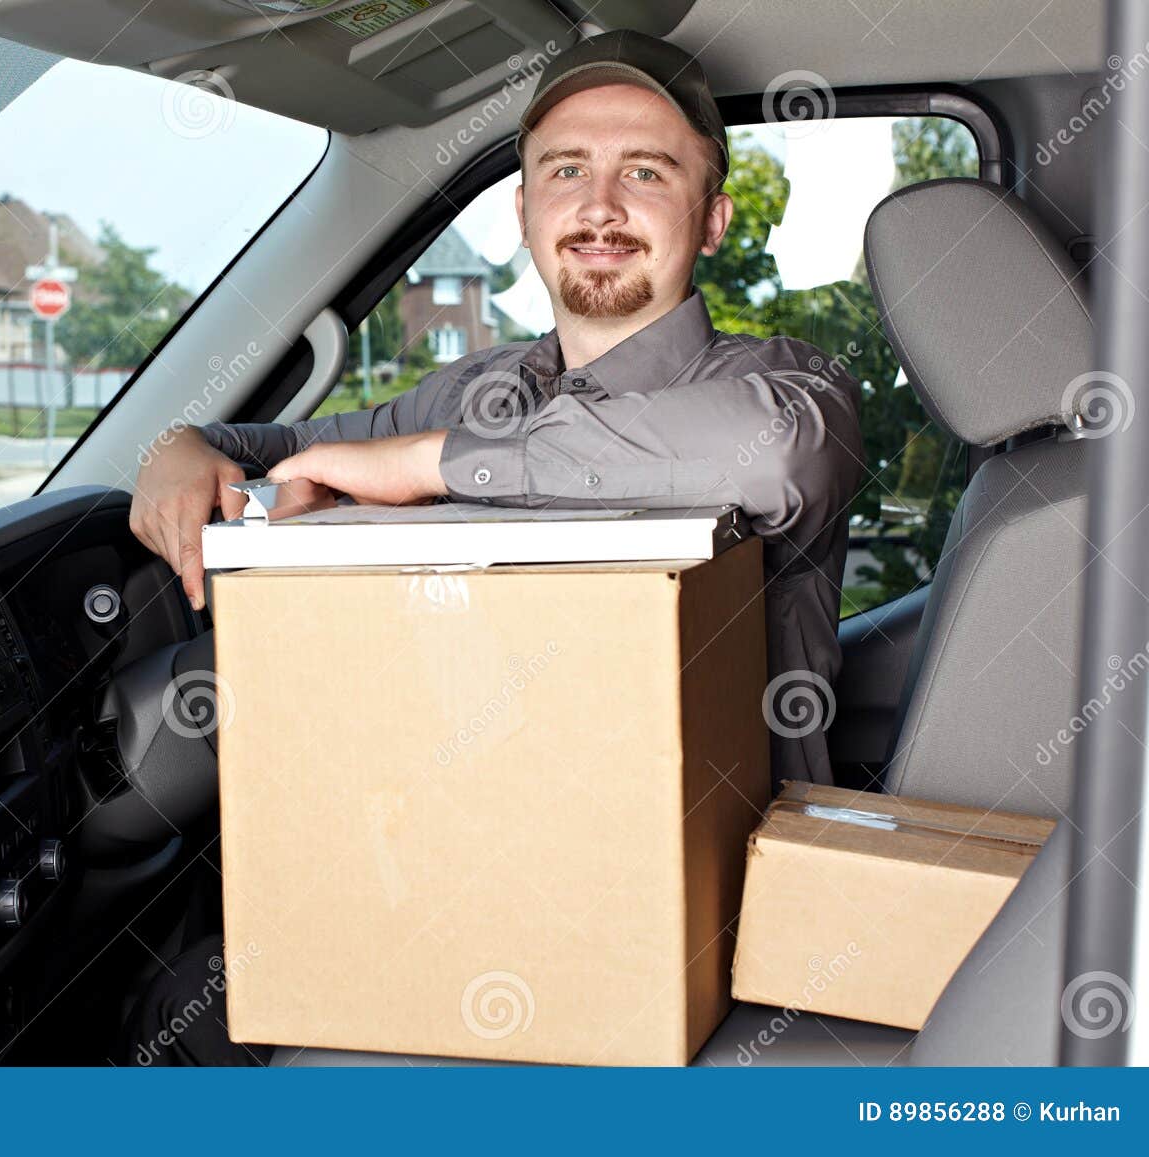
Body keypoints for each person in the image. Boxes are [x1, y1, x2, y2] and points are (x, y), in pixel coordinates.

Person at [126, 27, 865, 1064]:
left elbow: (769, 459)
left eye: (645, 174)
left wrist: (429, 465)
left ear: (710, 221)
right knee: (182, 1002)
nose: (599, 206)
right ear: (523, 212)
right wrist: (175, 443)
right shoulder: (477, 392)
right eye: (565, 171)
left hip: (699, 938)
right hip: (452, 876)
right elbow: (279, 442)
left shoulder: (790, 385)